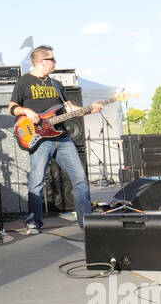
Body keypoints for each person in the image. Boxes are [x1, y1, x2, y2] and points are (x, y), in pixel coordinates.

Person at [9, 46, 102, 235]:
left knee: (80, 179)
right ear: (42, 61)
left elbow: (69, 108)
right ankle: (34, 221)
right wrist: (27, 111)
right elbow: (12, 107)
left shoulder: (56, 84)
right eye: (52, 59)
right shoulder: (24, 82)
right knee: (36, 181)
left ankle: (87, 222)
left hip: (62, 137)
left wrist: (90, 109)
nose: (55, 62)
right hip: (39, 138)